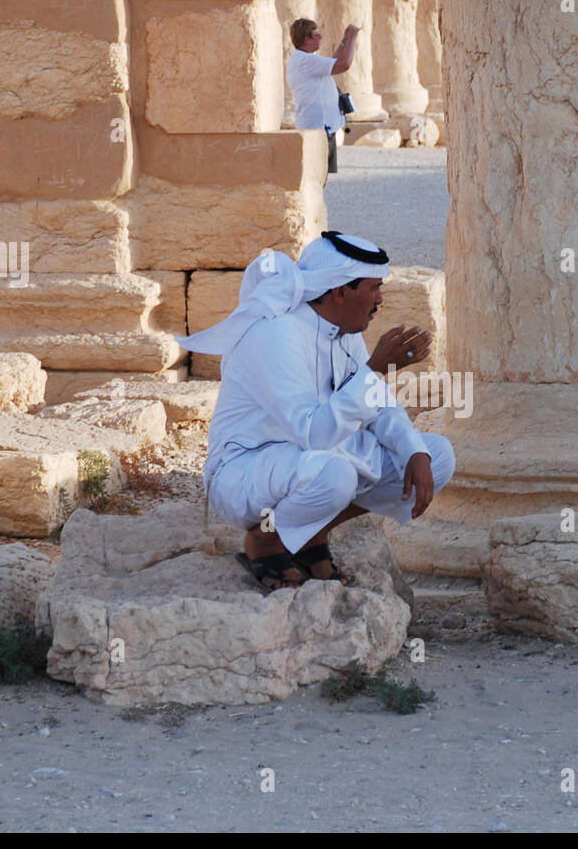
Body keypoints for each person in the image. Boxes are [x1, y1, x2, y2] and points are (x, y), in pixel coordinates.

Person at [176, 231, 454, 591]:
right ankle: (266, 542)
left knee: (436, 455)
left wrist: (414, 450)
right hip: (246, 469)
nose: (380, 299)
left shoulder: (344, 329)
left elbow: (377, 407)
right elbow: (313, 433)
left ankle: (310, 534)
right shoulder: (277, 336)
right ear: (340, 292)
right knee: (335, 475)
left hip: (310, 460)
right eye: (374, 288)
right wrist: (376, 370)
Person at [286, 18, 361, 175]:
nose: (320, 38)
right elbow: (344, 64)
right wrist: (353, 38)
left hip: (322, 126)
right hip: (318, 127)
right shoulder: (306, 60)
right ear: (306, 39)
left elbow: (334, 62)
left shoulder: (304, 59)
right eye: (317, 35)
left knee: (321, 175)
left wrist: (345, 40)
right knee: (317, 175)